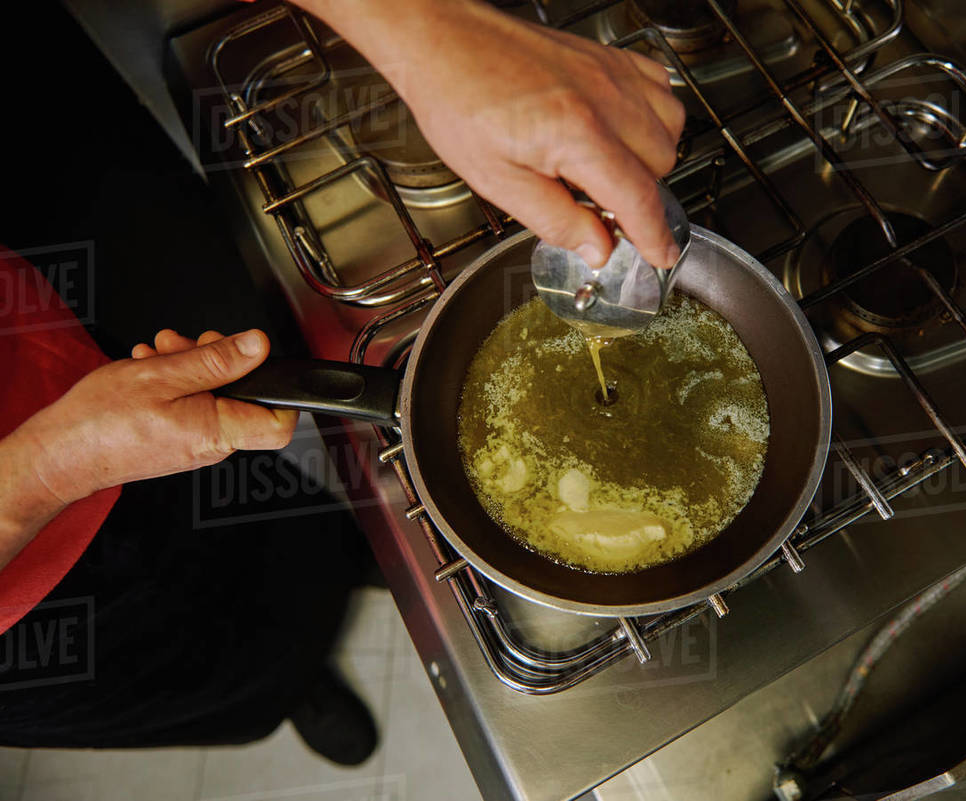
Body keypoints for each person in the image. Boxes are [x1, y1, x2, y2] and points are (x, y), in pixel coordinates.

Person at [0, 0, 684, 765]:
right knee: (207, 667)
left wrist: (426, 30)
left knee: (259, 485)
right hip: (31, 606)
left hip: (25, 176)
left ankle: (338, 559)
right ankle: (289, 680)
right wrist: (45, 470)